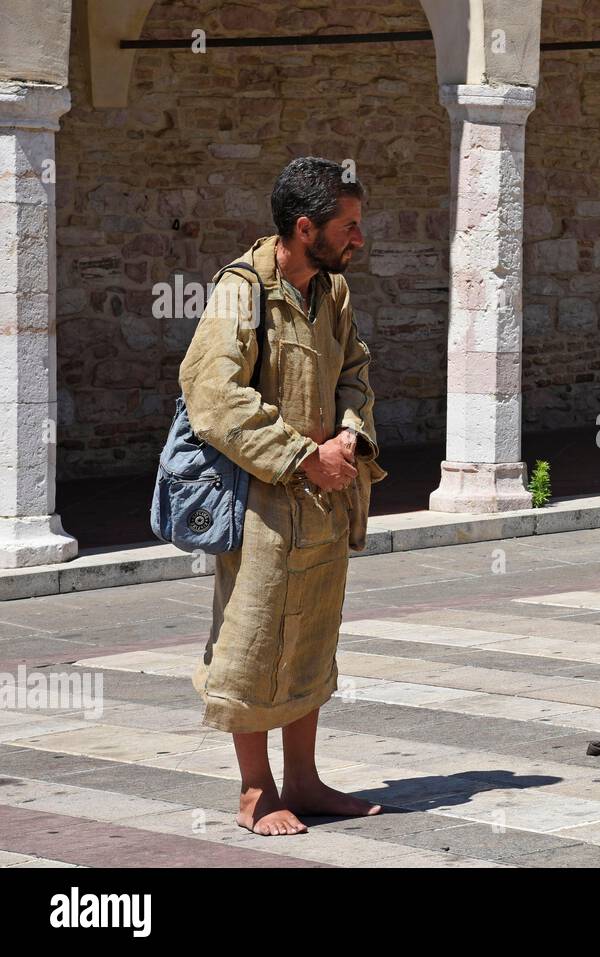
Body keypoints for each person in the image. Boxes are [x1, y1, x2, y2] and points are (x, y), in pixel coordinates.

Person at [178, 157, 386, 835]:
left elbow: (354, 369)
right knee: (253, 638)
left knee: (311, 638)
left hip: (326, 500)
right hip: (261, 503)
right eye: (348, 227)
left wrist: (351, 436)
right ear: (305, 228)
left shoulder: (332, 293)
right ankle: (255, 791)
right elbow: (212, 395)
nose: (359, 238)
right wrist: (300, 456)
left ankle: (304, 779)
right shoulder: (241, 291)